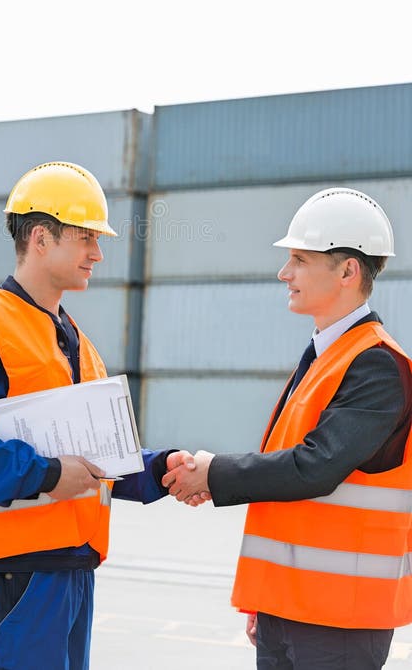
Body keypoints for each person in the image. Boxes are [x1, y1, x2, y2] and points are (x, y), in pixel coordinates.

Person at [0, 160, 192, 670]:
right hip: (11, 577)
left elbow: (95, 457)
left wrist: (160, 469)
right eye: (86, 237)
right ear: (41, 238)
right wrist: (45, 474)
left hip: (70, 568)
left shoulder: (76, 341)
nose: (97, 253)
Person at [162, 187, 412, 669]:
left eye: (299, 259)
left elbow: (315, 468)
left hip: (340, 620)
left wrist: (212, 474)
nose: (284, 273)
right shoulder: (325, 358)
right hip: (288, 609)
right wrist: (264, 599)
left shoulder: (378, 366)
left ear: (347, 271)